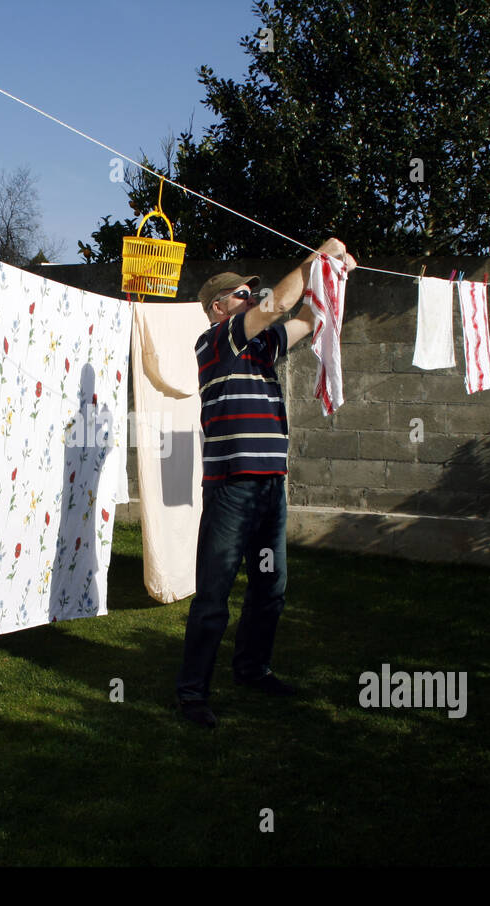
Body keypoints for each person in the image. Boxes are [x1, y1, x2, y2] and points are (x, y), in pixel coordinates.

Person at [176, 237, 357, 728]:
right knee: (214, 595)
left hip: (269, 490)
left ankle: (252, 669)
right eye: (241, 294)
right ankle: (192, 694)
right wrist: (317, 256)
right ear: (219, 307)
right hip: (232, 489)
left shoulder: (259, 347)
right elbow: (278, 302)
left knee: (270, 587)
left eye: (249, 293)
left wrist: (335, 277)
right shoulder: (216, 343)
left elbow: (309, 320)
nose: (250, 299)